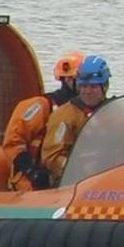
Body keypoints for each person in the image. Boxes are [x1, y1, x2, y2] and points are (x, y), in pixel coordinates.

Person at [2, 51, 83, 191]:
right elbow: (13, 143)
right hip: (33, 180)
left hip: (68, 176)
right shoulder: (40, 106)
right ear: (68, 80)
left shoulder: (84, 111)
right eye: (82, 80)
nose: (86, 86)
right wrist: (31, 173)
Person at [41, 54, 111, 186]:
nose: (87, 91)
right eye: (83, 86)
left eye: (93, 87)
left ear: (105, 86)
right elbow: (52, 157)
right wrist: (80, 170)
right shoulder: (64, 116)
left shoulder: (115, 111)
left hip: (111, 175)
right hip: (73, 182)